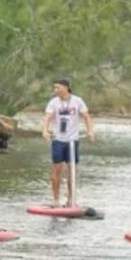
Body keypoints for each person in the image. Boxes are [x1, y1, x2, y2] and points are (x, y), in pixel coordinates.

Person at [41, 78, 95, 207]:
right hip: (58, 140)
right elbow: (47, 117)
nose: (55, 90)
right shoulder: (53, 102)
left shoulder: (77, 101)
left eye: (58, 87)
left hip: (72, 140)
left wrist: (90, 130)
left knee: (72, 170)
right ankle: (55, 199)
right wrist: (45, 131)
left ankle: (71, 199)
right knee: (56, 170)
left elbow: (86, 116)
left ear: (66, 88)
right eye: (54, 88)